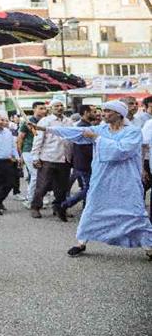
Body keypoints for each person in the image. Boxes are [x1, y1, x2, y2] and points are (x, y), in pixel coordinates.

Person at [35, 101, 152, 259]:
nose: (103, 114)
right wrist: (46, 129)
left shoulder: (133, 132)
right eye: (102, 110)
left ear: (119, 114)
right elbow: (75, 132)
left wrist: (97, 139)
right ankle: (81, 242)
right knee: (93, 209)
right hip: (101, 178)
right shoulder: (101, 129)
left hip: (125, 180)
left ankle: (148, 246)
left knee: (134, 211)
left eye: (108, 111)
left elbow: (122, 150)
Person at [29, 99, 73, 219]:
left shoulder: (69, 121)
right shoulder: (45, 121)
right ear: (51, 108)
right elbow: (38, 139)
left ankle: (58, 208)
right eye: (56, 106)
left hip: (65, 159)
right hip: (48, 158)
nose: (59, 108)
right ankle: (35, 207)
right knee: (42, 186)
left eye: (61, 106)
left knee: (62, 188)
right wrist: (35, 157)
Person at [17, 101, 48, 208]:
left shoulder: (46, 121)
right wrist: (20, 155)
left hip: (43, 152)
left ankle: (39, 199)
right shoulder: (28, 122)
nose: (44, 110)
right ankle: (30, 200)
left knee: (43, 177)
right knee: (35, 176)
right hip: (29, 151)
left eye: (44, 108)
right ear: (34, 109)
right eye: (41, 108)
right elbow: (20, 138)